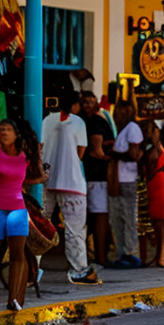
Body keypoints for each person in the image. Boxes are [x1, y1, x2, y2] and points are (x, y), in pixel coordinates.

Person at [0, 119, 45, 311]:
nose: (3, 133)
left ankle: (14, 299)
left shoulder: (25, 157)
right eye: (1, 130)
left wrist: (40, 174)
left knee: (17, 255)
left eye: (8, 130)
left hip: (17, 209)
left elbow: (30, 176)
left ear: (16, 135)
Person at [40, 94, 99, 285]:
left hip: (46, 179)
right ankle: (79, 269)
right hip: (72, 183)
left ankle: (32, 268)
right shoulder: (79, 122)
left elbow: (40, 147)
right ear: (74, 105)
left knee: (39, 227)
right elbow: (81, 152)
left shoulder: (47, 120)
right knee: (75, 230)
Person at [79, 91, 115, 269]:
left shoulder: (77, 121)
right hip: (97, 175)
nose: (87, 104)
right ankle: (101, 256)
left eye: (89, 101)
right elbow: (96, 149)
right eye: (84, 101)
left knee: (83, 217)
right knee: (100, 215)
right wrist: (113, 159)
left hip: (81, 174)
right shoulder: (97, 122)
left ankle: (84, 255)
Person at [108, 100, 143, 269]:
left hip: (128, 181)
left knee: (129, 219)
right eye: (117, 113)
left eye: (122, 113)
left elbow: (135, 155)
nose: (118, 116)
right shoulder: (121, 131)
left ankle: (132, 253)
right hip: (117, 181)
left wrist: (114, 155)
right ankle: (122, 253)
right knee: (117, 220)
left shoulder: (132, 129)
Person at [138, 119, 164, 268]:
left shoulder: (154, 149)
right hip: (156, 184)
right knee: (161, 224)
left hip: (157, 185)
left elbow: (146, 164)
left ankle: (161, 257)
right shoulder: (157, 147)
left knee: (159, 223)